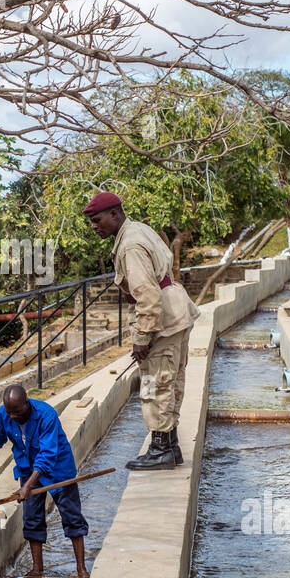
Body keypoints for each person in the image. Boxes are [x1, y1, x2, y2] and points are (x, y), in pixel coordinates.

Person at [84, 192, 199, 470]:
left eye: (97, 220)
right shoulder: (139, 229)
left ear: (115, 214)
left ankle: (161, 449)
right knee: (170, 381)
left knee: (155, 384)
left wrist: (142, 337)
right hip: (176, 312)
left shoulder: (130, 246)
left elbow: (148, 296)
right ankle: (169, 446)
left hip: (162, 320)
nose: (95, 227)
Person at [0, 385, 90, 578]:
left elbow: (48, 455)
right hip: (27, 468)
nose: (13, 417)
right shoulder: (3, 414)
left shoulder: (46, 415)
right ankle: (37, 569)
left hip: (58, 470)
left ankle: (81, 569)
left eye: (17, 412)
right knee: (32, 518)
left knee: (72, 516)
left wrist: (28, 486)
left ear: (27, 403)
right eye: (10, 413)